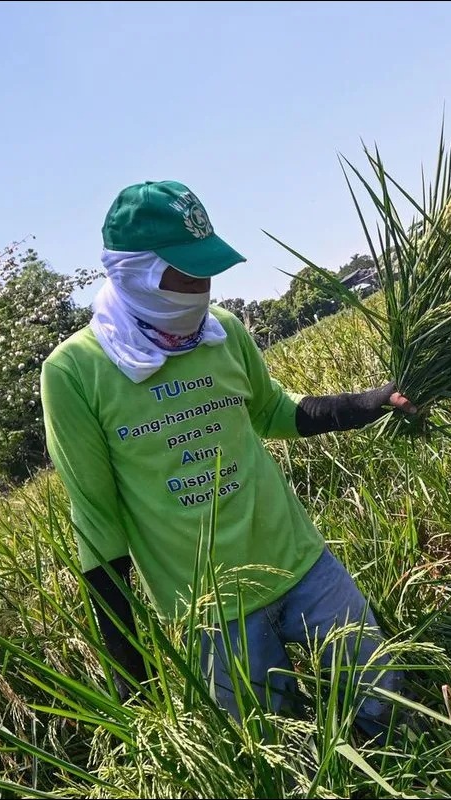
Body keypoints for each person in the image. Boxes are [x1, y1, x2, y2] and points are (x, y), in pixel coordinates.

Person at [40, 180, 414, 737]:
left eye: (207, 270)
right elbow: (97, 521)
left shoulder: (224, 333)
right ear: (133, 271)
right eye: (184, 273)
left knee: (389, 710)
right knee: (274, 757)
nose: (201, 288)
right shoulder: (75, 373)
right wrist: (129, 668)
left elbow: (275, 411)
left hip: (303, 564)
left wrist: (367, 403)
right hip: (212, 613)